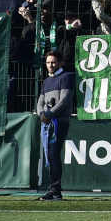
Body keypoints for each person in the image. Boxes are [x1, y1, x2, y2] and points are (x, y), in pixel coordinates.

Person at [36, 50, 74, 201]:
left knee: (53, 155)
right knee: (50, 156)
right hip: (46, 122)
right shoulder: (46, 81)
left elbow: (64, 100)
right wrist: (41, 115)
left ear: (60, 63)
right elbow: (40, 101)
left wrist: (49, 114)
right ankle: (54, 189)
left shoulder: (66, 77)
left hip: (59, 122)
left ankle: (55, 190)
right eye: (48, 62)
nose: (50, 65)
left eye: (53, 62)